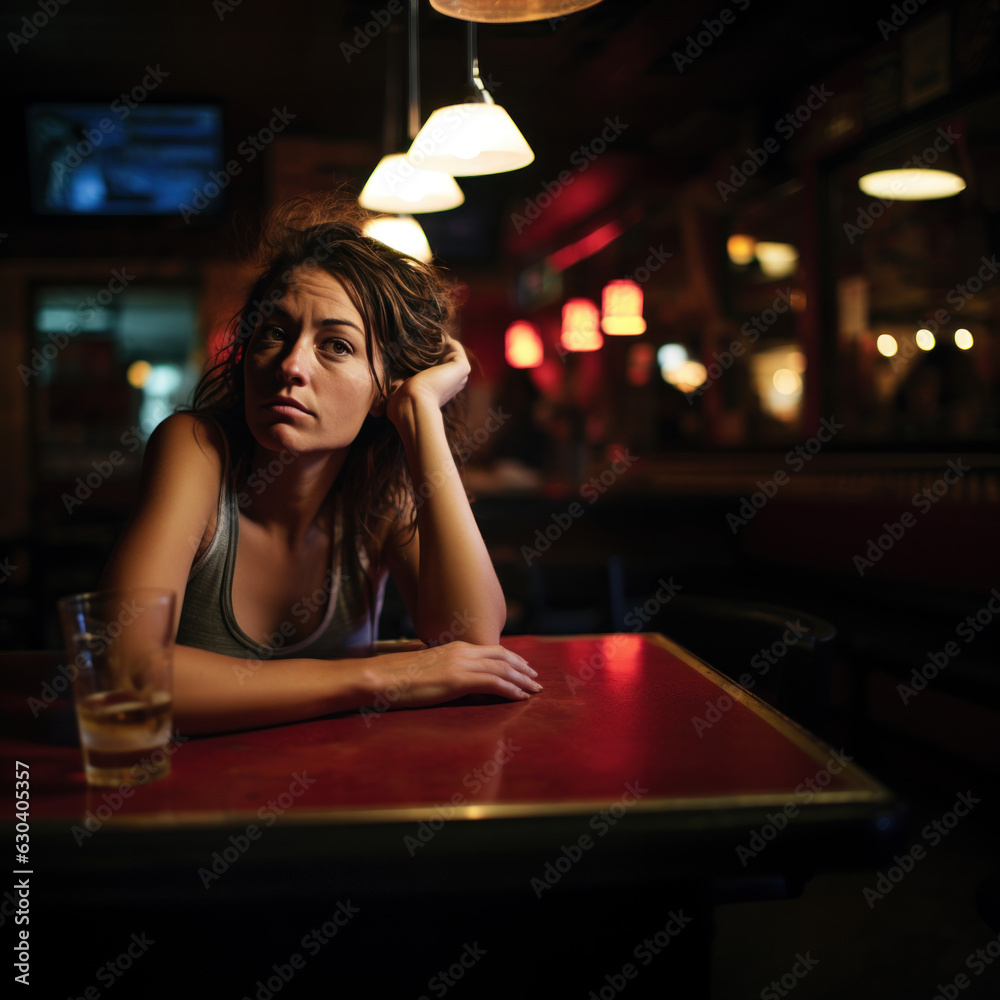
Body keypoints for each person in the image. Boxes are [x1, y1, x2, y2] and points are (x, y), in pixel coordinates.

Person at [100, 197, 540, 734]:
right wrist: (377, 678)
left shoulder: (382, 489)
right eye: (275, 332)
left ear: (386, 387)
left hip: (333, 794)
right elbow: (129, 676)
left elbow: (472, 643)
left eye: (335, 345)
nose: (290, 365)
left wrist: (420, 412)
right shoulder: (194, 447)